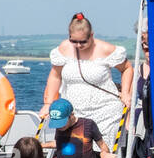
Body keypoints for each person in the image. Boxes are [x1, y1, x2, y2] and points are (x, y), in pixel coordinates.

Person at [42, 11, 133, 148]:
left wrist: (125, 92)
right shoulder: (64, 48)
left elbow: (127, 68)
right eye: (74, 41)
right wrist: (48, 103)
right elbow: (55, 75)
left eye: (83, 42)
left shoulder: (106, 49)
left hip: (105, 113)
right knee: (72, 155)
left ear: (91, 35)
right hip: (74, 114)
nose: (78, 45)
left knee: (99, 157)